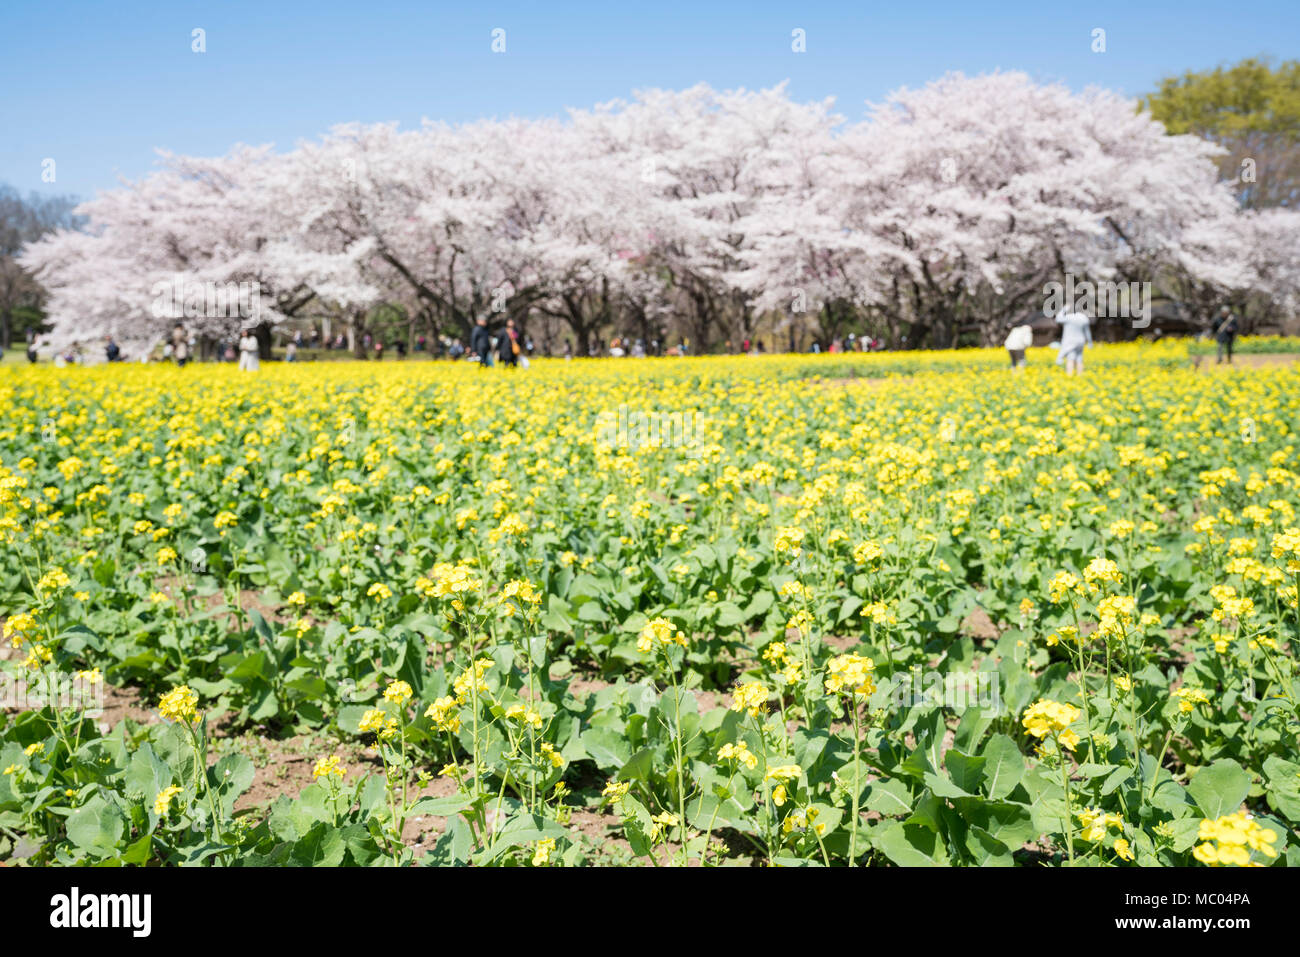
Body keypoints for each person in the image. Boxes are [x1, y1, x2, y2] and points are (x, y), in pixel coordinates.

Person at [1054, 308, 1092, 375]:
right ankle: (1080, 375)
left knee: (1070, 358)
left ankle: (1069, 375)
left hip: (1071, 341)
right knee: (1079, 358)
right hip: (1081, 341)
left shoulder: (1069, 317)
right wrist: (1090, 342)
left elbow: (1058, 319)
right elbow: (1087, 332)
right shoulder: (1084, 318)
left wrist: (1063, 309)